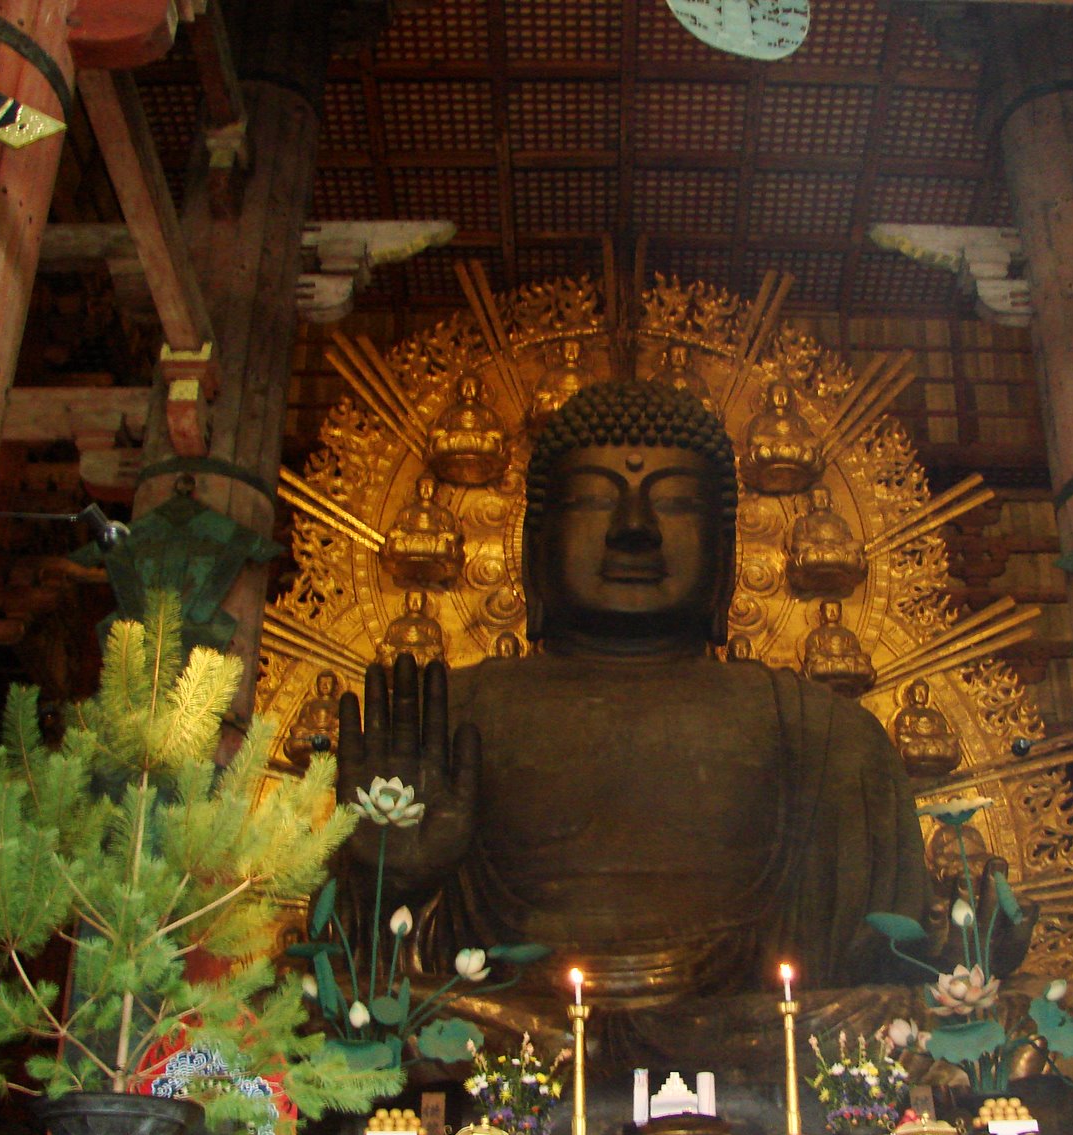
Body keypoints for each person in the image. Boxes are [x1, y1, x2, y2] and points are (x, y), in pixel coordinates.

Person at [335, 381, 996, 1058]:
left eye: (676, 502)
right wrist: (392, 879)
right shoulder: (446, 718)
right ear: (535, 543)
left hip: (759, 1038)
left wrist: (965, 947)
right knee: (321, 1016)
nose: (633, 526)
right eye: (594, 499)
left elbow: (879, 969)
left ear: (727, 552)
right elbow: (349, 970)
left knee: (1028, 1017)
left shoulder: (826, 735)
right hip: (512, 1033)